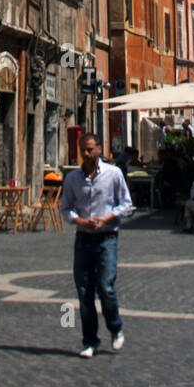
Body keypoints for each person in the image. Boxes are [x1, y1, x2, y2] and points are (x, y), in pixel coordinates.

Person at [61, 132, 134, 357]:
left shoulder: (113, 174)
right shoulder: (72, 179)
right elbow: (66, 208)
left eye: (90, 149)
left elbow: (127, 205)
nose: (86, 153)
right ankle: (90, 341)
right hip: (83, 238)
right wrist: (79, 220)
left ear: (99, 149)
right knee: (84, 293)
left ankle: (115, 327)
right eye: (83, 149)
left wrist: (108, 218)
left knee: (106, 287)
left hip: (107, 238)